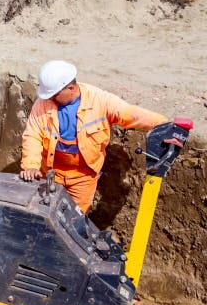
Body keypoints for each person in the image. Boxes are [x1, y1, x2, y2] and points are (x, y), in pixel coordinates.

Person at [19, 60, 167, 213]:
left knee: (74, 217)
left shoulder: (100, 100)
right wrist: (30, 165)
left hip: (83, 177)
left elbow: (130, 114)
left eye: (54, 94)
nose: (49, 98)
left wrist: (164, 125)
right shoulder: (43, 103)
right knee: (43, 212)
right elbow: (33, 135)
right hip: (50, 172)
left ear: (70, 87)